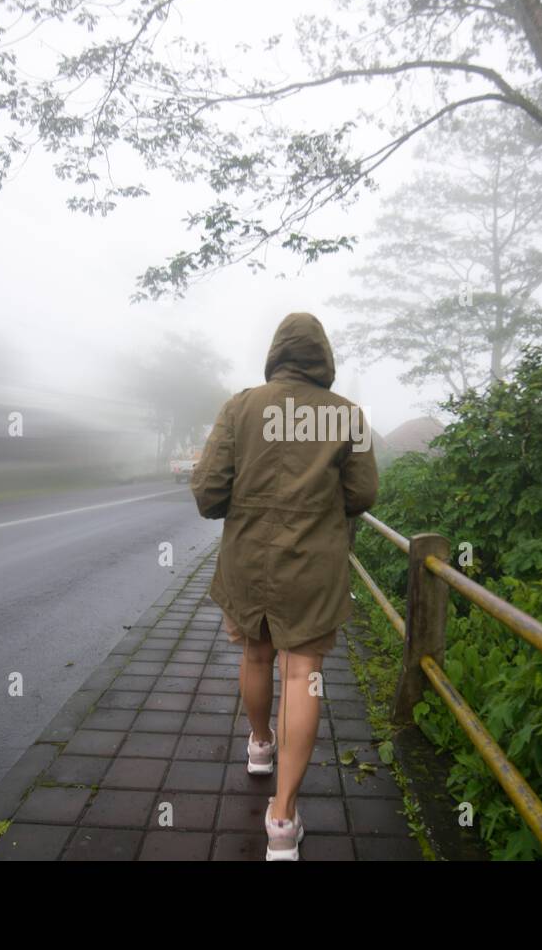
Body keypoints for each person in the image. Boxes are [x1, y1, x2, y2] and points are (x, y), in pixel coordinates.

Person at [190, 311, 378, 861]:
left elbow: (207, 494)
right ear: (324, 358)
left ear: (275, 353)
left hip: (247, 562)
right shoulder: (346, 416)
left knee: (254, 654)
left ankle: (259, 746)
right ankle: (282, 819)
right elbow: (363, 494)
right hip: (313, 568)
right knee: (304, 675)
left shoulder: (240, 407)